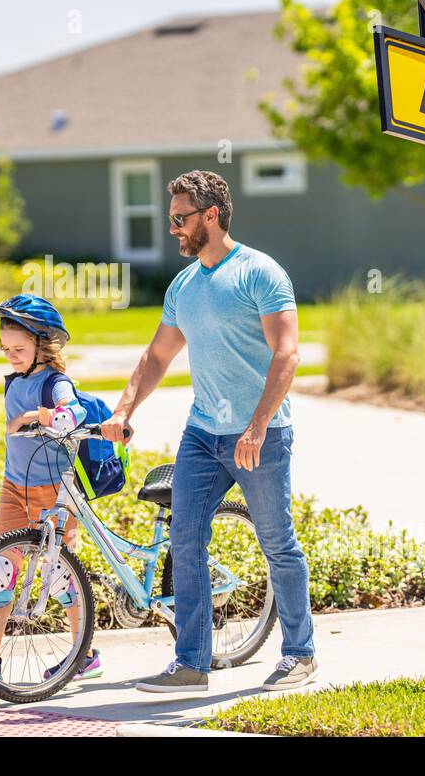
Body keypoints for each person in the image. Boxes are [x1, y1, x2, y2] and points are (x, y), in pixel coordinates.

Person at [100, 170, 317, 694]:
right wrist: (124, 409)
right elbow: (157, 355)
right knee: (185, 536)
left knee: (277, 544)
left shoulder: (260, 273)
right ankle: (192, 662)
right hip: (203, 432)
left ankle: (300, 654)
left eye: (180, 218)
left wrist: (258, 426)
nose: (173, 228)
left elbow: (287, 354)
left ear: (211, 215)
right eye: (170, 219)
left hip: (259, 436)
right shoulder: (184, 285)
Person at [0, 293, 103, 683]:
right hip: (13, 489)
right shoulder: (13, 381)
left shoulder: (54, 382)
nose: (11, 356)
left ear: (42, 344)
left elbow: (73, 411)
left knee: (58, 575)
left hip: (52, 494)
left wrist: (40, 415)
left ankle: (84, 653)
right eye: (5, 349)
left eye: (18, 348)